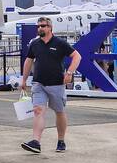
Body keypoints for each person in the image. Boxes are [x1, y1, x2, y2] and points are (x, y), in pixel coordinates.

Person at [21, 16, 81, 154]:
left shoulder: (60, 43)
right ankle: (36, 142)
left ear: (50, 28)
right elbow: (29, 61)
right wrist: (24, 80)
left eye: (43, 26)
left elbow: (77, 56)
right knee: (38, 110)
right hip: (39, 83)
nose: (40, 28)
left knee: (59, 112)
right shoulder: (35, 44)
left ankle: (61, 140)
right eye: (39, 26)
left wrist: (70, 72)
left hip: (56, 84)